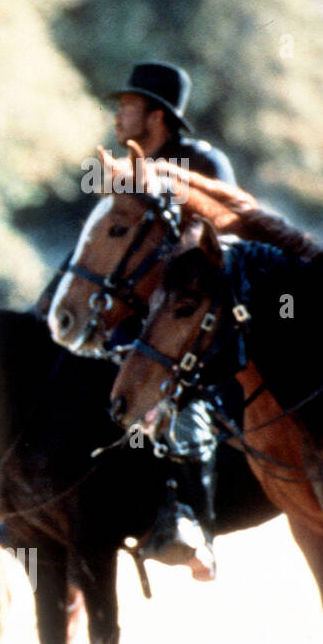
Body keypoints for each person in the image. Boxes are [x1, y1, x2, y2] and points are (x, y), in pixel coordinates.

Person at [111, 62, 233, 579]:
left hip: (195, 316)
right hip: (143, 315)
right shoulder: (132, 166)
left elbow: (221, 241)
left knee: (186, 400)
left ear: (155, 115)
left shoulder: (203, 162)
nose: (118, 116)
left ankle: (193, 525)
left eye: (127, 106)